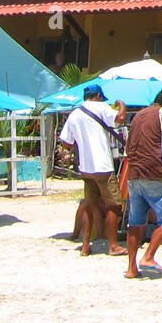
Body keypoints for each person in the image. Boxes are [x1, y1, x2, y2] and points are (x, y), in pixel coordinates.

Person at [57, 85, 127, 257]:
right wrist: (122, 104)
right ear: (97, 96)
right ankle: (113, 245)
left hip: (86, 168)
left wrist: (82, 143)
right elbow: (121, 118)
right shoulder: (102, 107)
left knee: (90, 205)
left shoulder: (74, 114)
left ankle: (86, 245)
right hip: (102, 166)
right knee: (115, 205)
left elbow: (66, 142)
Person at [123, 87, 162, 278]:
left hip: (133, 173)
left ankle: (132, 268)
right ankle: (148, 257)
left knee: (135, 222)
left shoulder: (139, 114)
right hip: (154, 173)